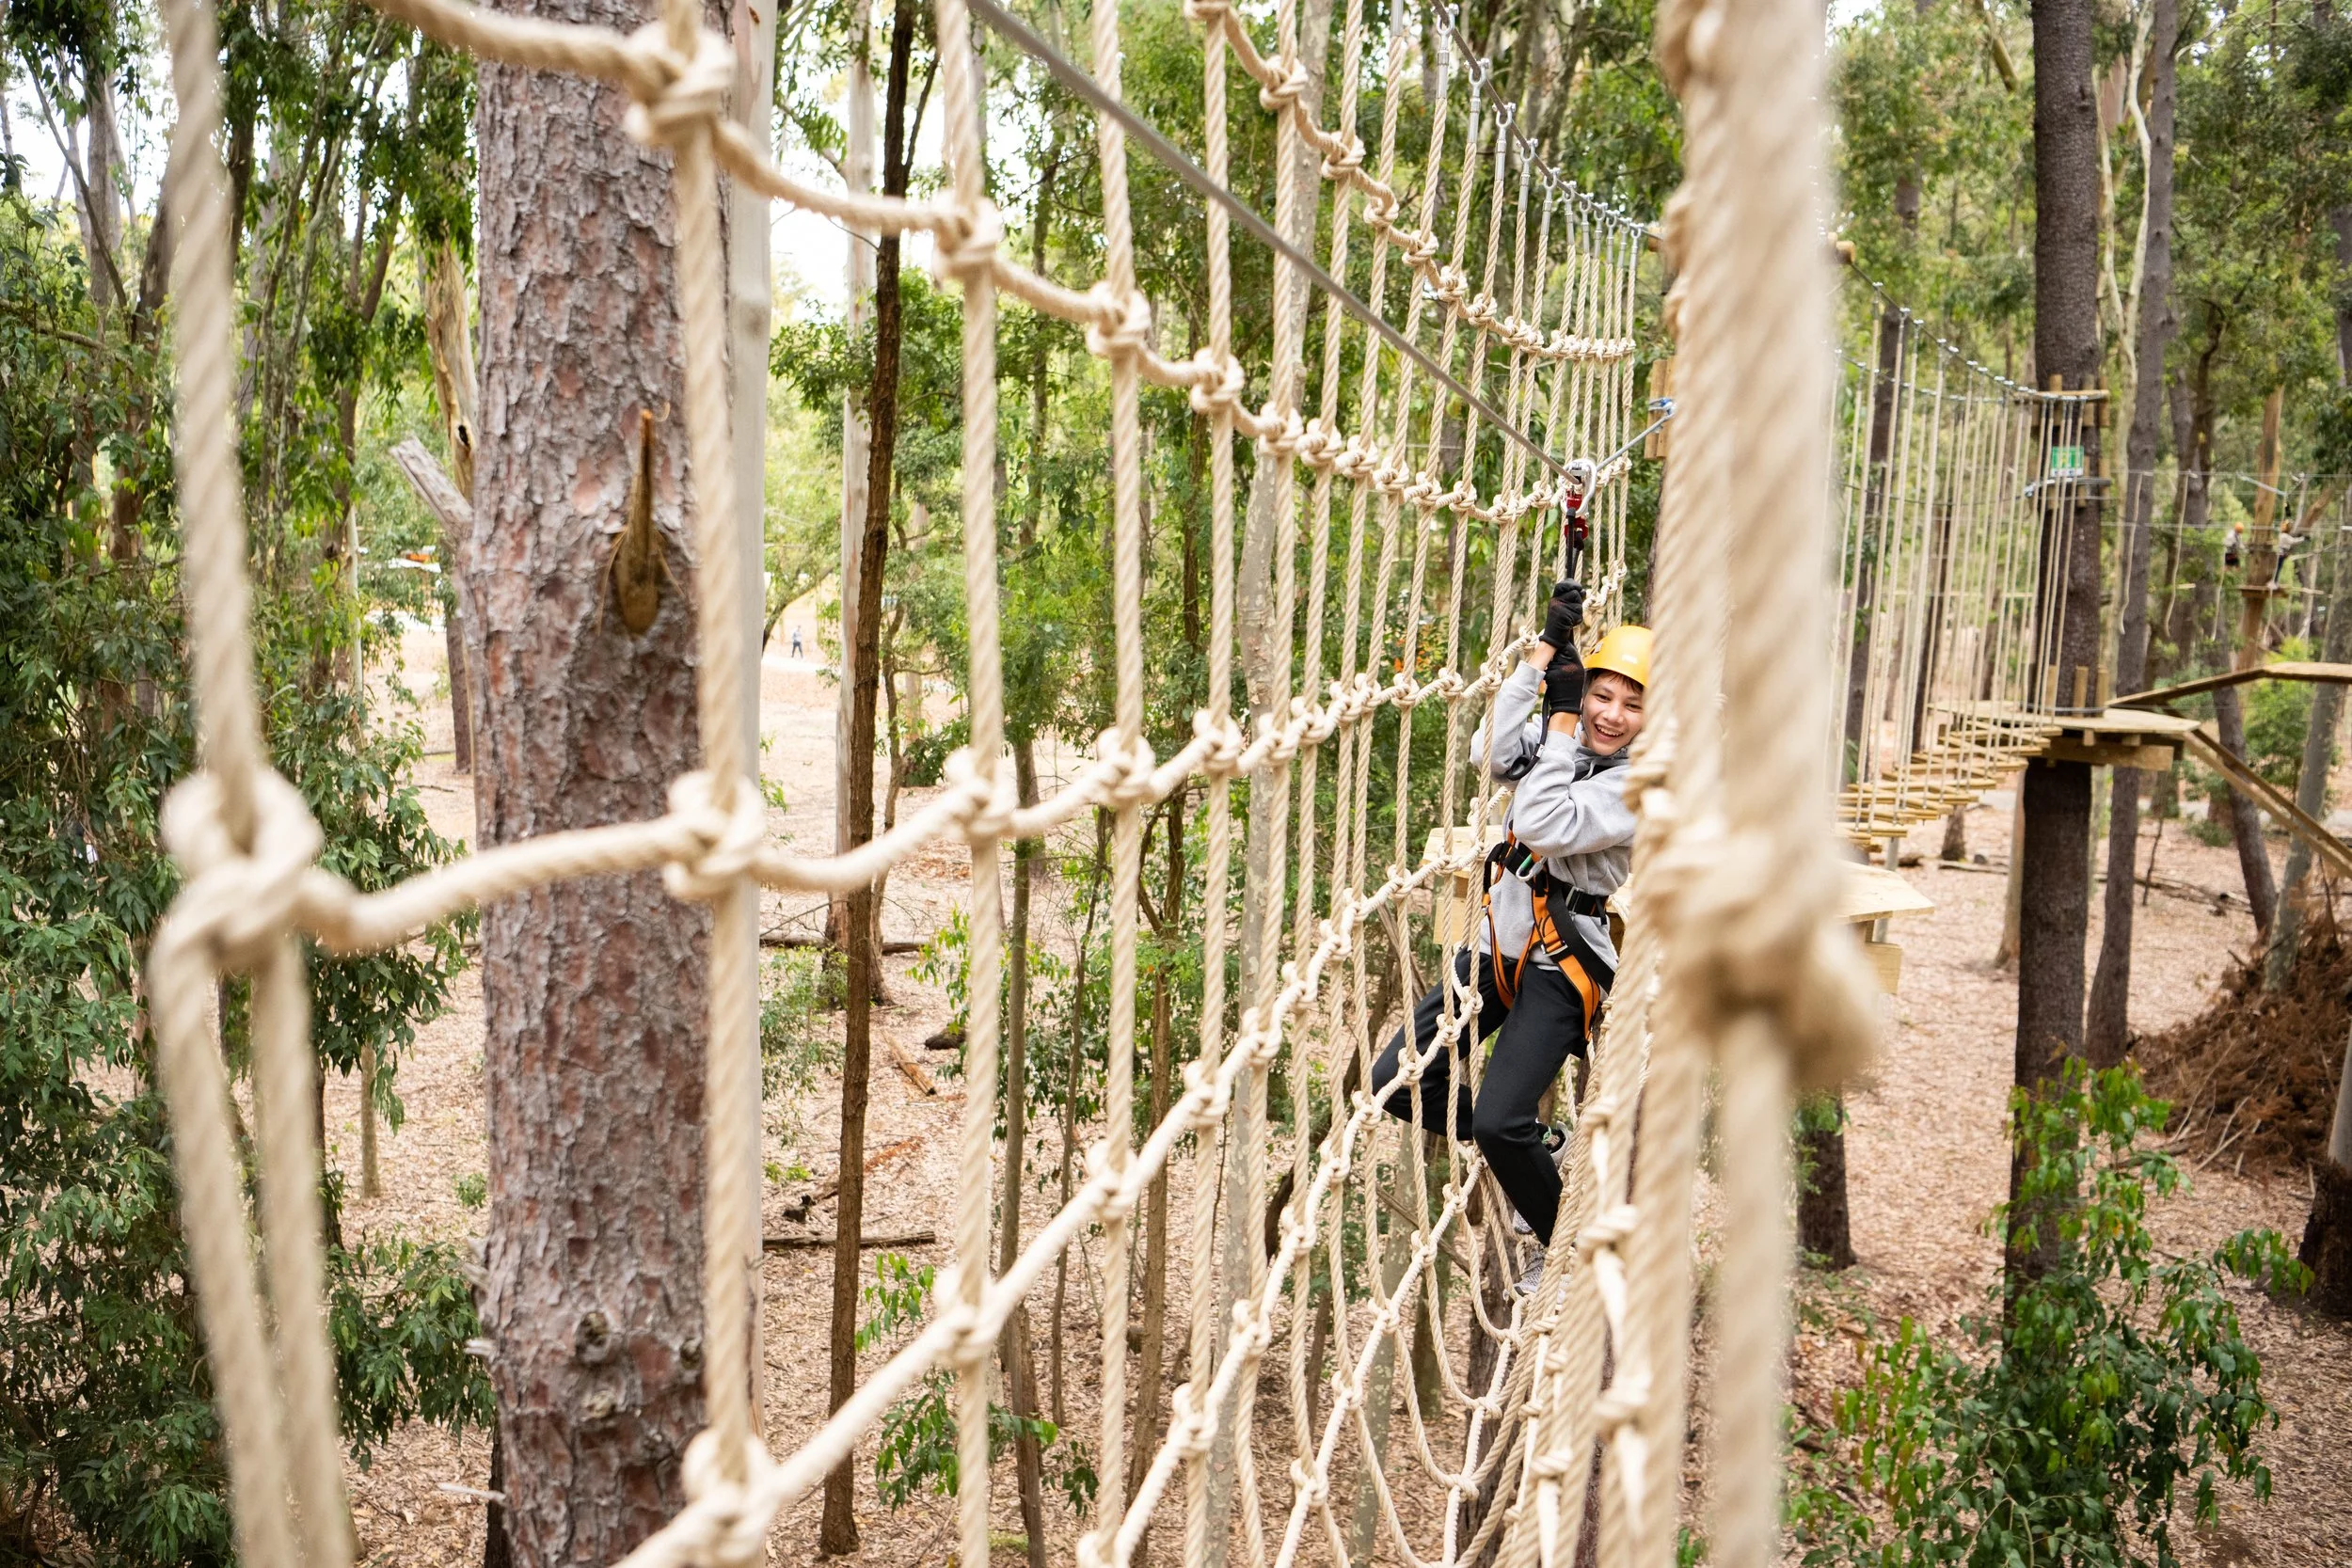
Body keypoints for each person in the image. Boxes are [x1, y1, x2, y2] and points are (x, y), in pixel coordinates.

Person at [1368, 577, 1650, 1292]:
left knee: (1498, 1123)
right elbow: (1490, 753)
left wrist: (1559, 727)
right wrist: (1540, 659)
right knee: (1396, 1081)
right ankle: (1543, 1146)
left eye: (1632, 702)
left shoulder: (1642, 784)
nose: (1611, 715)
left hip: (1565, 958)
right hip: (1499, 937)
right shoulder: (1565, 725)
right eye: (1601, 695)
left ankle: (1562, 1253)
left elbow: (1542, 824)